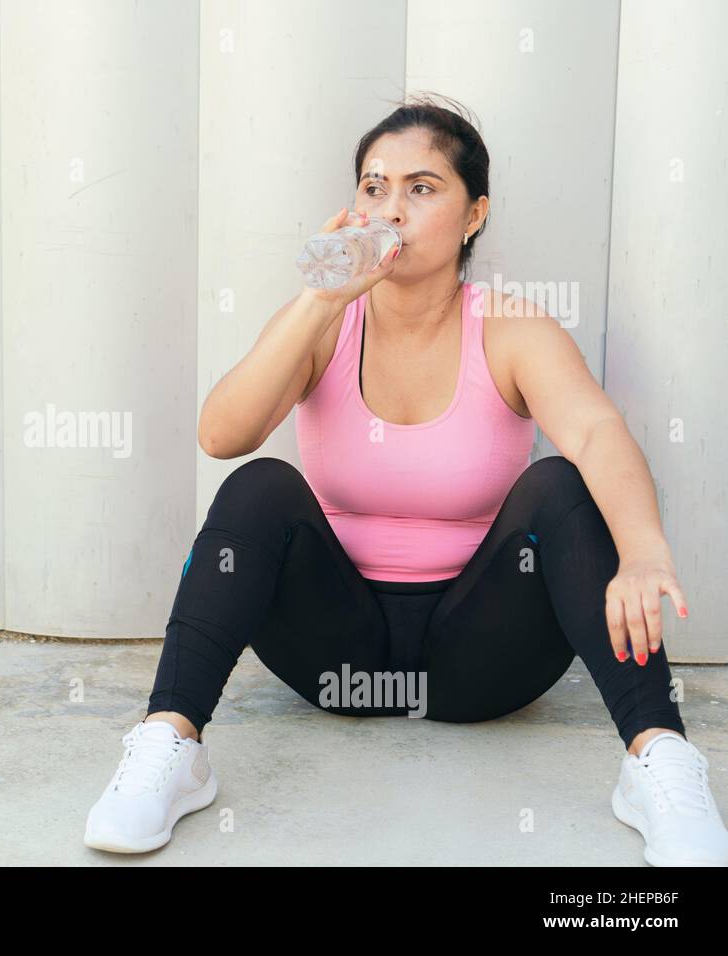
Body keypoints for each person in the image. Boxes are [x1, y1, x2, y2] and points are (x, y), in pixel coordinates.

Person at [84, 94, 728, 865]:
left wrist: (644, 548)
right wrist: (319, 298)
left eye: (421, 188)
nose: (390, 208)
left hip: (483, 657)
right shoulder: (323, 324)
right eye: (373, 186)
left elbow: (596, 431)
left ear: (474, 214)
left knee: (559, 484)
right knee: (259, 486)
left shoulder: (511, 327)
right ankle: (171, 744)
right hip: (337, 653)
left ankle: (658, 757)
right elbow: (223, 434)